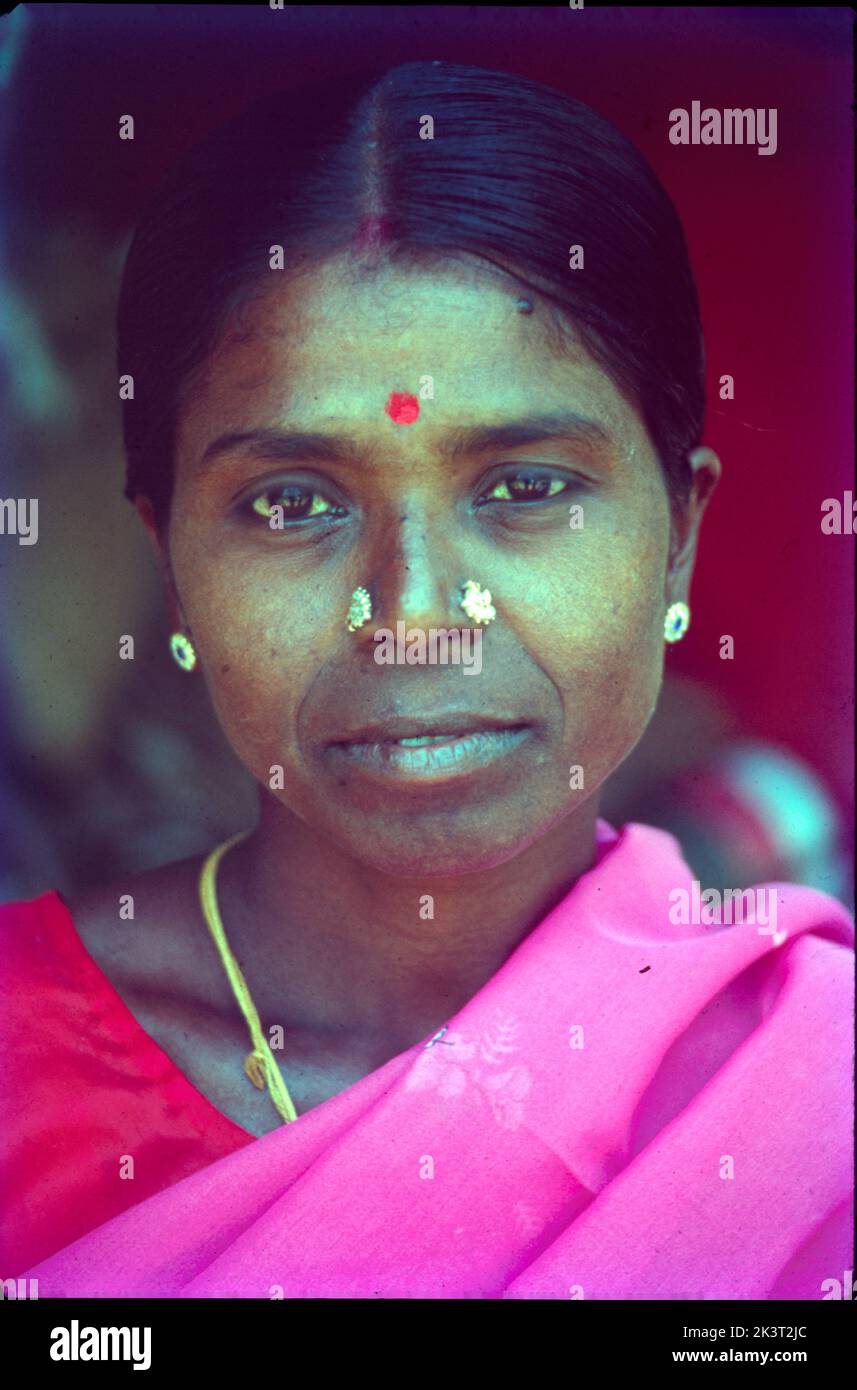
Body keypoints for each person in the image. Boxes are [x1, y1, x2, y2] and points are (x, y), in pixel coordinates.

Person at [1, 60, 851, 1299]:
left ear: (677, 532)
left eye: (523, 487)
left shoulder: (816, 1089)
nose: (409, 616)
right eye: (290, 502)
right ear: (172, 564)